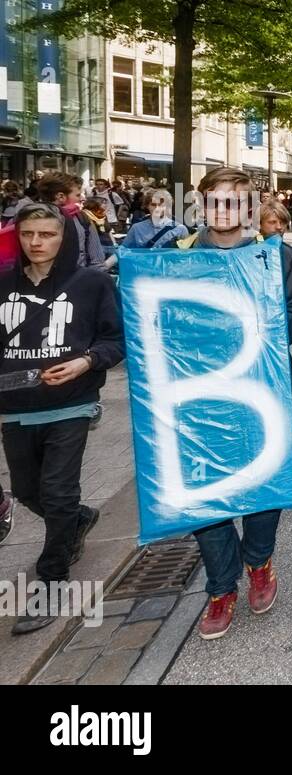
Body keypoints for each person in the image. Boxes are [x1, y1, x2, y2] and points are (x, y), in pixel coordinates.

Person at [175, 167, 292, 640]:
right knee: (205, 490)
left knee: (264, 482)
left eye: (235, 202)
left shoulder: (276, 257)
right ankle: (220, 586)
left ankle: (259, 560)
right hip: (197, 397)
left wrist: (258, 325)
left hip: (264, 389)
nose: (223, 210)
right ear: (201, 205)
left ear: (250, 209)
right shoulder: (175, 257)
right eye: (215, 201)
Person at [1, 203, 124, 634]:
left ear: (63, 236)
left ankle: (51, 584)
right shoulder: (2, 282)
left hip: (72, 402)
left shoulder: (89, 282)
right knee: (27, 490)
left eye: (47, 234)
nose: (37, 243)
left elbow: (115, 338)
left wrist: (86, 363)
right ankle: (78, 518)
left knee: (56, 491)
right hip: (14, 406)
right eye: (29, 234)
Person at [34, 172, 106, 271]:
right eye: (78, 195)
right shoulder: (27, 220)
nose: (82, 198)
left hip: (76, 283)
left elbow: (97, 261)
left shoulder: (82, 219)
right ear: (60, 197)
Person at [121, 188, 188, 250]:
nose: (157, 208)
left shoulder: (180, 229)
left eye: (161, 205)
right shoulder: (136, 228)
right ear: (147, 206)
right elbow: (122, 251)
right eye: (153, 205)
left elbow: (186, 256)